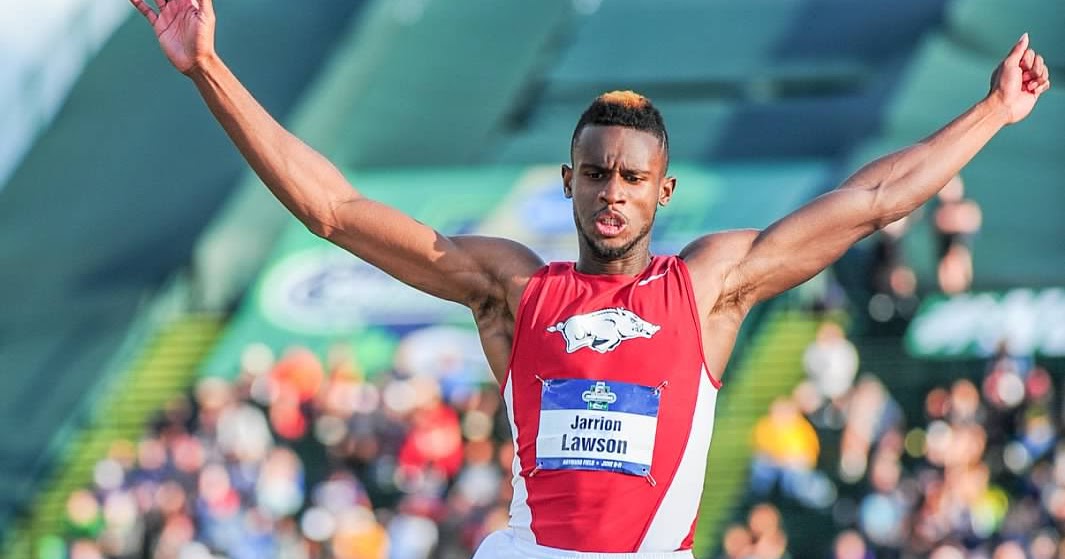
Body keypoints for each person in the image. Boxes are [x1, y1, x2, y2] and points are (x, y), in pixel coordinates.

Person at [129, 0, 1051, 556]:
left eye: (631, 178)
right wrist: (207, 64)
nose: (612, 193)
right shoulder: (512, 289)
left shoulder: (708, 288)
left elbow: (872, 199)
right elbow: (331, 209)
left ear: (662, 191)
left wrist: (990, 111)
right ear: (568, 180)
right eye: (596, 173)